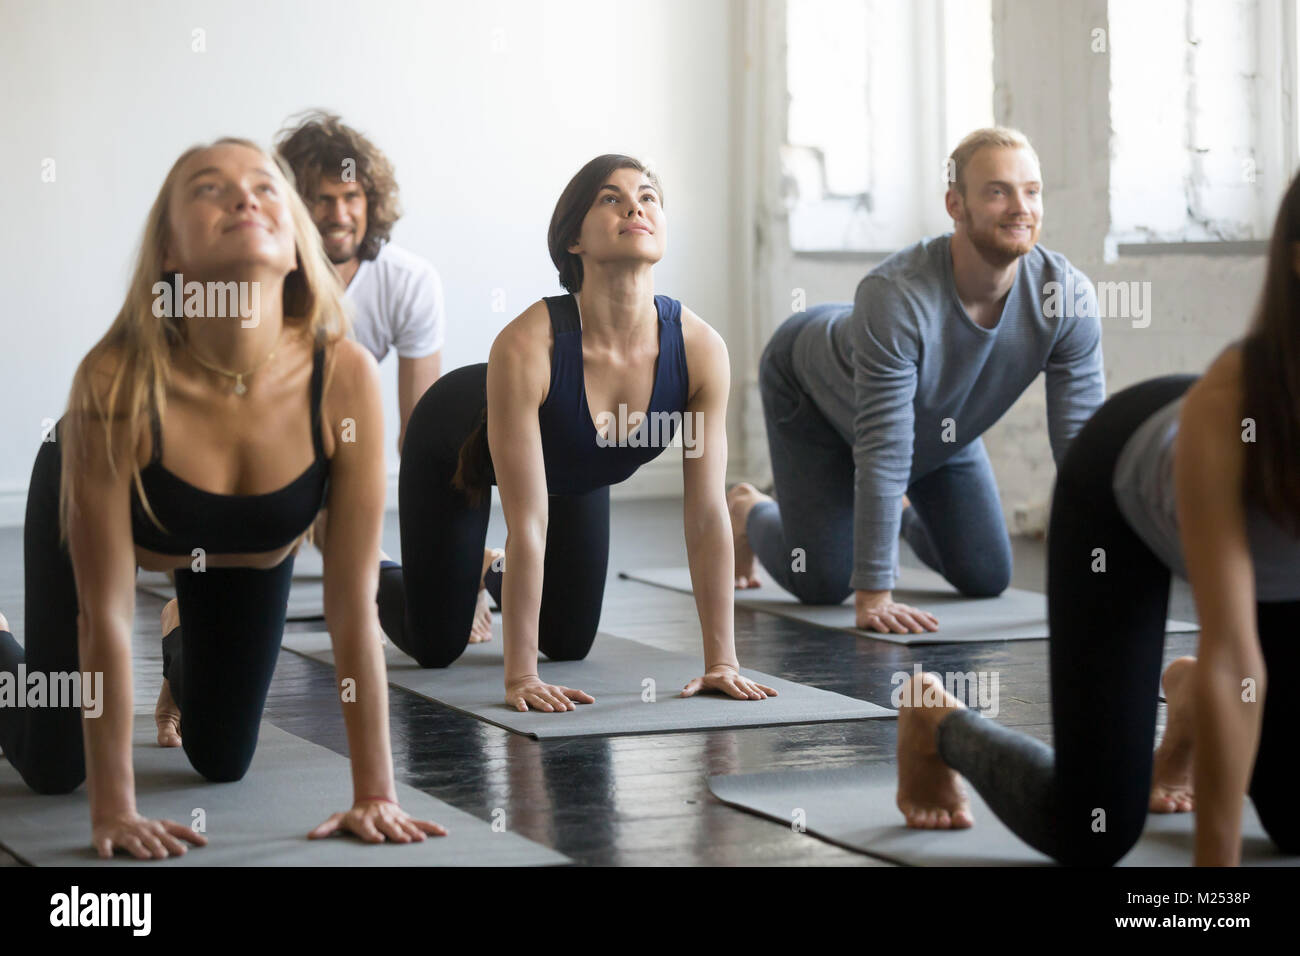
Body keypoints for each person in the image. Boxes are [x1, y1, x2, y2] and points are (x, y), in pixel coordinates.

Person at [0, 138, 444, 859]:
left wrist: (375, 794)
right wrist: (115, 812)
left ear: (297, 244)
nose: (245, 198)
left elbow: (351, 607)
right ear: (170, 250)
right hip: (92, 510)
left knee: (221, 761)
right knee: (56, 764)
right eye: (210, 188)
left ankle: (186, 637)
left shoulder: (343, 378)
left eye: (267, 188)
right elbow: (106, 616)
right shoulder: (114, 382)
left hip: (244, 553)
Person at [894, 173, 1300, 867]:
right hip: (1119, 500)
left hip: (1279, 574)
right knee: (1093, 827)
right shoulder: (1234, 402)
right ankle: (937, 721)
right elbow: (1235, 648)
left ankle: (1191, 698)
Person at [377, 154, 777, 713]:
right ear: (573, 239)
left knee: (567, 641)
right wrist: (520, 677)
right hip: (454, 445)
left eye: (648, 196)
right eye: (611, 198)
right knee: (437, 645)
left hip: (579, 470)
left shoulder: (700, 349)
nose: (635, 205)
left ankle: (487, 568)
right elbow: (529, 520)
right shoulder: (526, 344)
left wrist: (722, 663)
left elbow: (707, 512)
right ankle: (377, 568)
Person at [728, 127, 1105, 635]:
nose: (1021, 207)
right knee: (823, 581)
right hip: (813, 390)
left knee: (986, 574)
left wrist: (1105, 574)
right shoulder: (896, 294)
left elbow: (1083, 449)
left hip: (936, 424)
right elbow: (884, 447)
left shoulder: (1066, 299)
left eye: (1031, 191)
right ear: (956, 204)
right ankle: (748, 508)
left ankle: (897, 509)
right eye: (997, 191)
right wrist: (875, 593)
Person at [274, 113, 497, 642]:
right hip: (272, 442)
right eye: (321, 200)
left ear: (371, 202)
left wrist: (451, 557)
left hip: (344, 442)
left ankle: (482, 564)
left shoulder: (409, 281)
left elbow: (421, 432)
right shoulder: (266, 277)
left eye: (351, 198)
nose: (339, 214)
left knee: (431, 635)